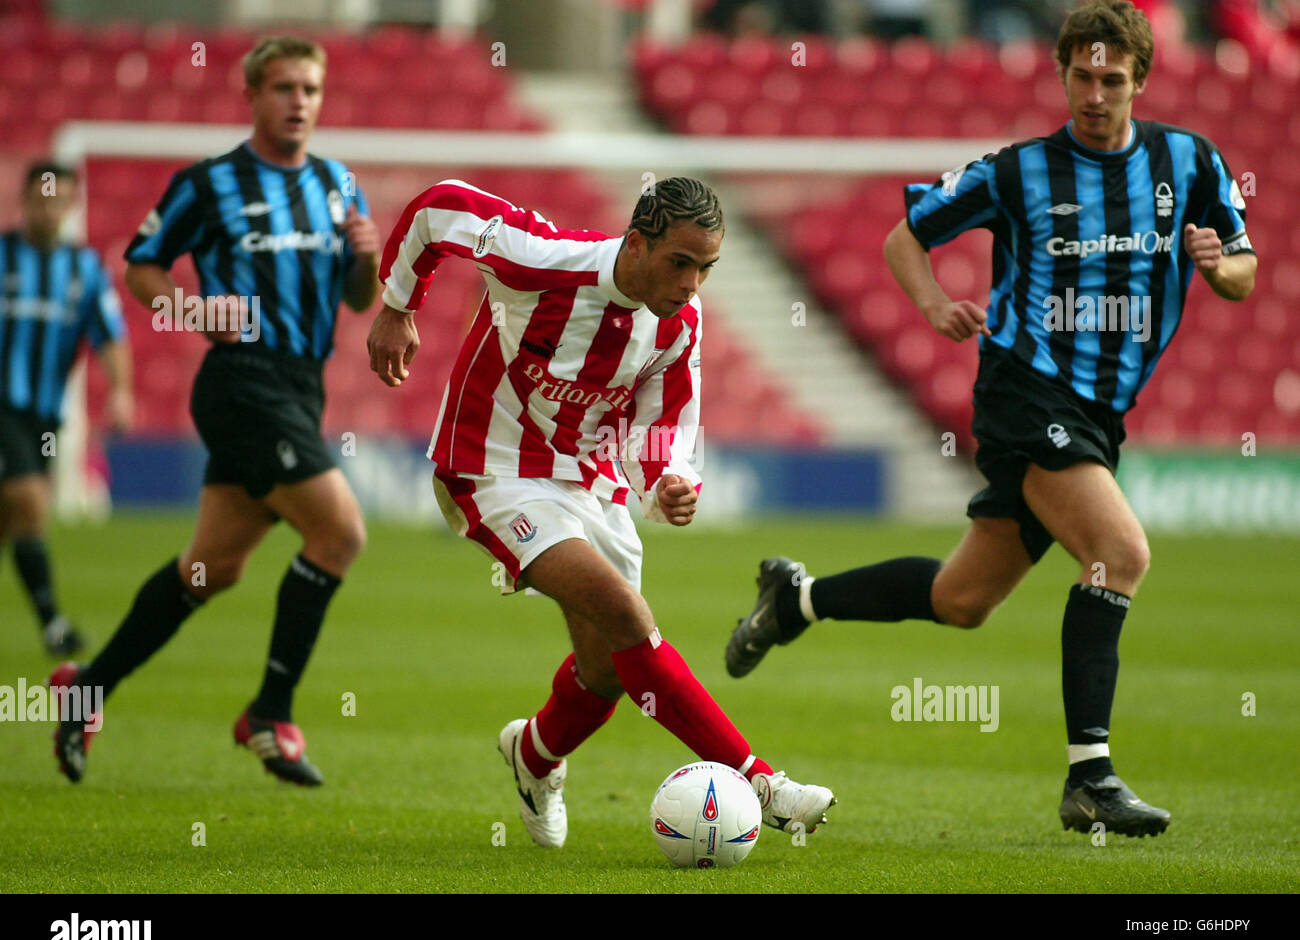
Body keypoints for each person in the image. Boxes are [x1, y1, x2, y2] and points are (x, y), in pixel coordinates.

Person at [726, 0, 1256, 838]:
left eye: (1111, 80)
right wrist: (934, 304)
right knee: (1119, 554)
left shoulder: (1189, 162)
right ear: (1061, 74)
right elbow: (907, 237)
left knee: (962, 597)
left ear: (1141, 81)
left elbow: (1244, 272)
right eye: (1080, 76)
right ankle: (1092, 776)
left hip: (1098, 413)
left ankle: (796, 601)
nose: (1093, 93)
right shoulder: (1017, 171)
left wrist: (1220, 264)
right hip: (1024, 390)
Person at [367, 176, 835, 847]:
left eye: (707, 268)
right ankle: (763, 782)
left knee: (609, 669)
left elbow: (662, 427)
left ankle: (532, 756)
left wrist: (669, 479)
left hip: (589, 480)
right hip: (492, 468)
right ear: (637, 244)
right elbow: (439, 207)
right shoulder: (542, 257)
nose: (692, 284)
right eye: (681, 262)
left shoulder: (680, 322)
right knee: (626, 616)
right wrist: (397, 305)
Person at [50, 36, 379, 786]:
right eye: (284, 87)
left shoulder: (338, 185)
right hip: (239, 381)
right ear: (253, 96)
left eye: (311, 89)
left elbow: (359, 300)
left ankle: (86, 686)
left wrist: (364, 258)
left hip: (300, 386)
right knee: (339, 532)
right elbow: (140, 266)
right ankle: (270, 709)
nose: (299, 101)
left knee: (212, 568)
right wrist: (193, 312)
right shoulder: (210, 182)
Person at [1, 162, 133, 655]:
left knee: (9, 517)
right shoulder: (2, 257)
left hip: (44, 415)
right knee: (31, 503)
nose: (49, 208)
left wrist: (120, 391)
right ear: (25, 201)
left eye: (59, 200)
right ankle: (53, 626)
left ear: (72, 205)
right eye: (42, 198)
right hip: (1, 407)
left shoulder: (84, 271)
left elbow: (111, 337)